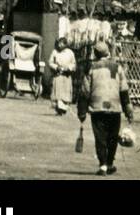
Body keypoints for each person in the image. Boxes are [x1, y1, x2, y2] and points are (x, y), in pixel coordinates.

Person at [76, 41, 134, 176]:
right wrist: (128, 110)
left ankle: (102, 165)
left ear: (95, 53)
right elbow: (124, 91)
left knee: (100, 138)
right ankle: (110, 163)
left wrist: (82, 112)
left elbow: (85, 91)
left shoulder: (91, 68)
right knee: (113, 137)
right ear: (107, 52)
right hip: (114, 108)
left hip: (97, 109)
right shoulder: (117, 67)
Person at [48, 36, 77, 115]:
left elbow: (73, 63)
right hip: (58, 75)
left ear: (65, 44)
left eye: (61, 44)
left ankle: (64, 108)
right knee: (58, 92)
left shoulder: (70, 53)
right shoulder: (55, 52)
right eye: (59, 44)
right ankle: (59, 109)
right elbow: (50, 62)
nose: (60, 45)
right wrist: (56, 67)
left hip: (66, 75)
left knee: (65, 91)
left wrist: (69, 68)